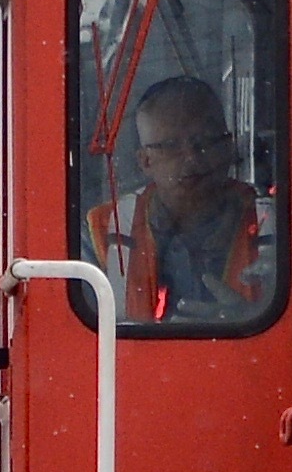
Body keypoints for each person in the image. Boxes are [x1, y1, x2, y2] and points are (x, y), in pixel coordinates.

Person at [106, 72, 270, 324]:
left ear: (228, 147)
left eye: (204, 142)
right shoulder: (102, 231)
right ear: (145, 161)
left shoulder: (276, 227)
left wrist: (250, 321)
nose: (192, 158)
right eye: (171, 146)